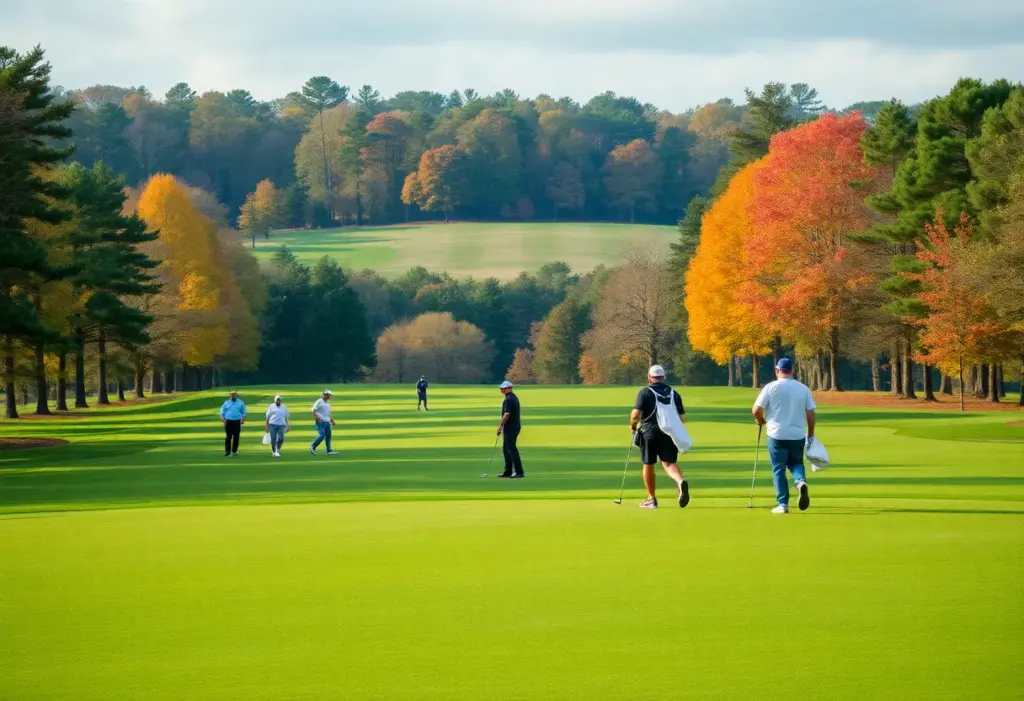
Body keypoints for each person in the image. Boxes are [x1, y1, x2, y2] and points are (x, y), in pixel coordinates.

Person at [752, 358, 816, 514]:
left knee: (778, 468)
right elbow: (811, 413)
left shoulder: (770, 387)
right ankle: (800, 482)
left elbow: (756, 409)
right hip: (797, 434)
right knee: (796, 464)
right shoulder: (803, 389)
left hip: (776, 434)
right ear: (792, 371)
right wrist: (811, 434)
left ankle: (783, 504)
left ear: (777, 370)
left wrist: (760, 420)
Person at [629, 365, 689, 509]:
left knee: (648, 464)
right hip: (669, 433)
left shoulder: (645, 392)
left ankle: (651, 499)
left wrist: (633, 426)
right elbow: (682, 418)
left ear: (649, 377)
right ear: (663, 378)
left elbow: (635, 414)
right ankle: (680, 481)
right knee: (668, 463)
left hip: (649, 433)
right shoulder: (674, 393)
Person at [496, 380, 524, 478]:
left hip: (511, 427)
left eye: (503, 388)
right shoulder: (511, 398)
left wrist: (500, 426)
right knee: (506, 449)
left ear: (508, 388)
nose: (501, 390)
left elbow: (506, 414)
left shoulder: (509, 399)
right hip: (512, 427)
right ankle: (507, 471)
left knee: (511, 449)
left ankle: (519, 472)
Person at [310, 389, 338, 456]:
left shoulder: (327, 404)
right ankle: (313, 446)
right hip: (320, 421)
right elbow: (313, 410)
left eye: (330, 395)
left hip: (327, 421)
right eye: (328, 395)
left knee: (328, 435)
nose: (329, 396)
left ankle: (329, 450)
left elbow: (328, 413)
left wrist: (332, 420)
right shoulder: (319, 401)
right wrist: (317, 417)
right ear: (324, 394)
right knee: (322, 434)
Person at [219, 390, 247, 457]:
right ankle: (227, 452)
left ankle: (234, 451)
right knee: (228, 437)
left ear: (236, 395)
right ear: (230, 395)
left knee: (236, 437)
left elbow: (244, 412)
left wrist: (243, 419)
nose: (233, 396)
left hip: (237, 421)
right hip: (228, 421)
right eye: (231, 395)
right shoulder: (226, 403)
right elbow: (222, 412)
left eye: (234, 395)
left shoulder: (240, 402)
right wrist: (223, 419)